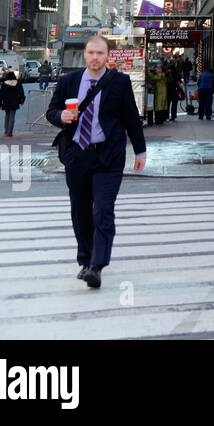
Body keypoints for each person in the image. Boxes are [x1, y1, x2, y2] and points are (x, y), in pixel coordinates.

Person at [45, 33, 146, 290]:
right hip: (77, 154)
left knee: (102, 210)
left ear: (108, 56)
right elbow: (51, 110)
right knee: (80, 210)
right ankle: (85, 259)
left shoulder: (119, 82)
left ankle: (97, 266)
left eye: (100, 53)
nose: (95, 57)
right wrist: (61, 117)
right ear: (85, 53)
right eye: (91, 52)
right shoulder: (69, 81)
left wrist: (140, 151)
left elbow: (131, 118)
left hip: (108, 157)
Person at [0, 69, 25, 138]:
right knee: (12, 117)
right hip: (14, 102)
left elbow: (0, 95)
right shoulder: (17, 83)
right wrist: (22, 101)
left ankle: (6, 131)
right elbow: (21, 93)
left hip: (6, 102)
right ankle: (10, 132)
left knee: (7, 116)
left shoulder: (4, 84)